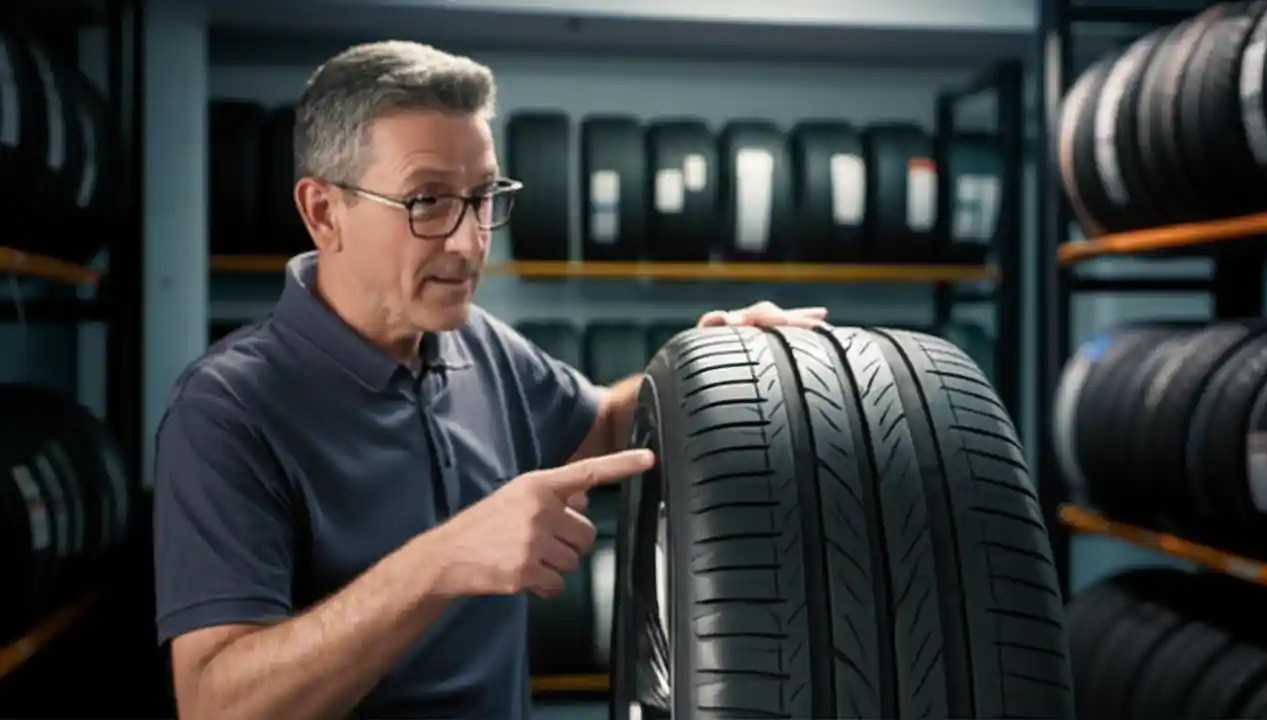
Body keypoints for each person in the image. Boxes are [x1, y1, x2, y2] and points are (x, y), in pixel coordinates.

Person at [152, 40, 829, 719]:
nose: (470, 241)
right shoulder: (227, 410)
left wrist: (708, 368)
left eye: (482, 197)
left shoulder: (479, 345)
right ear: (325, 213)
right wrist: (442, 563)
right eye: (427, 201)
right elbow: (216, 706)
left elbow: (604, 426)